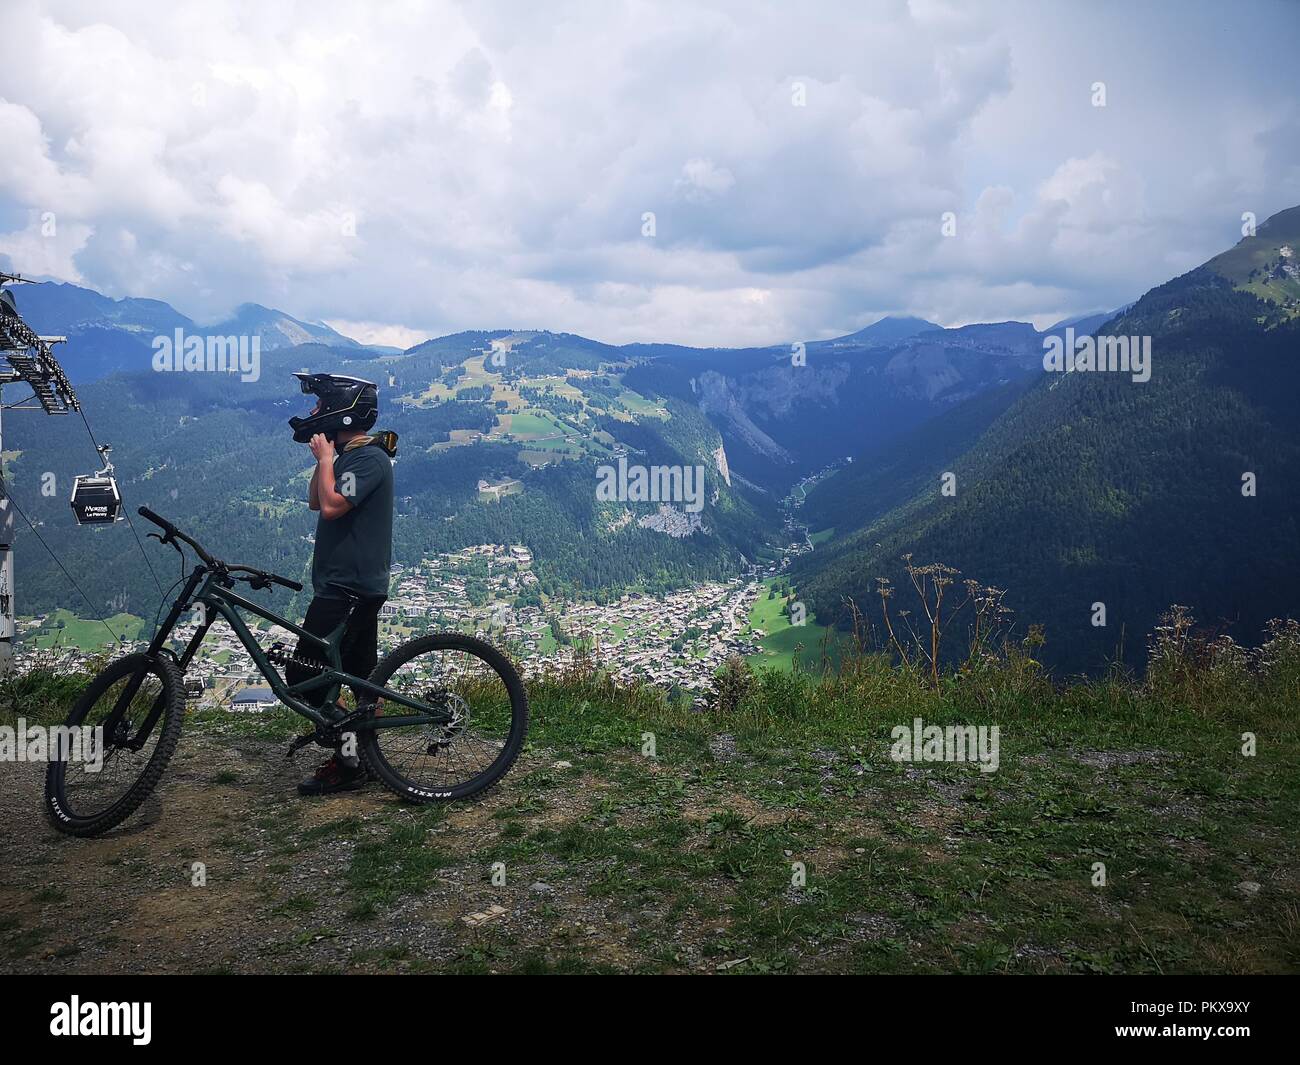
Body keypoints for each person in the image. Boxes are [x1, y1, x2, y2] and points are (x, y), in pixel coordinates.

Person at [285, 372, 397, 796]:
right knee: (361, 679)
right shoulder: (351, 455)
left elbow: (331, 507)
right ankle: (363, 757)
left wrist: (326, 460)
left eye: (319, 407)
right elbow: (317, 498)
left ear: (340, 412)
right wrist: (324, 459)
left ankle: (351, 757)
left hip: (348, 588)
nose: (313, 414)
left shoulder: (369, 459)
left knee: (304, 677)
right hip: (348, 585)